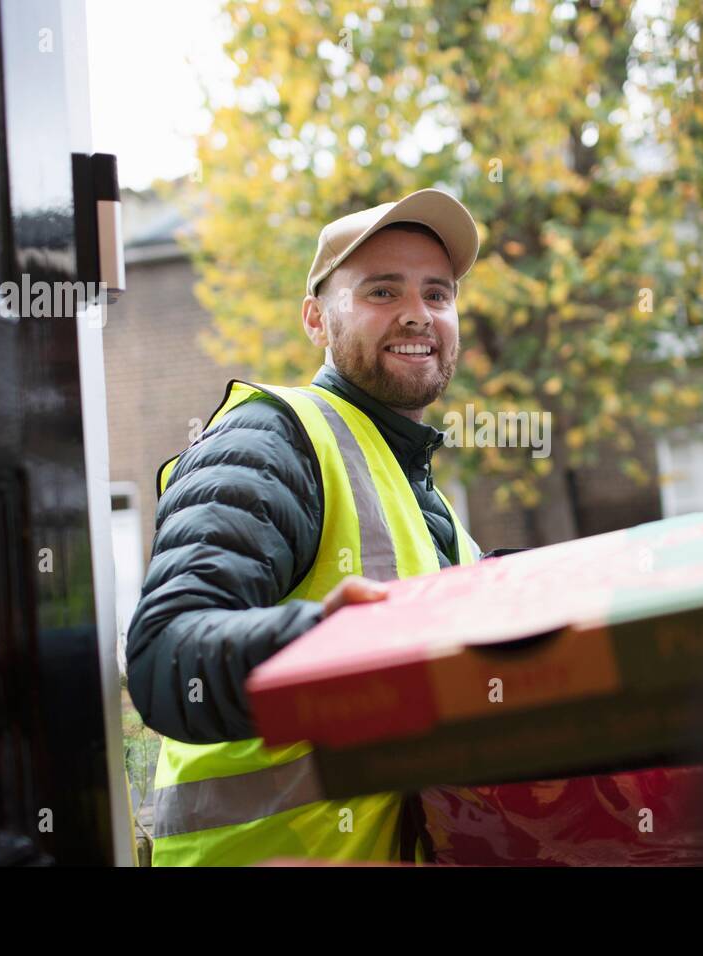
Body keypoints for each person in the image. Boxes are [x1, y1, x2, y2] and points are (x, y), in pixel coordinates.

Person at [125, 189, 484, 866]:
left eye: (438, 295)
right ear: (316, 320)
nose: (418, 313)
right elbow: (163, 656)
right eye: (382, 291)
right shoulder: (269, 441)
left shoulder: (424, 499)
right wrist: (321, 644)